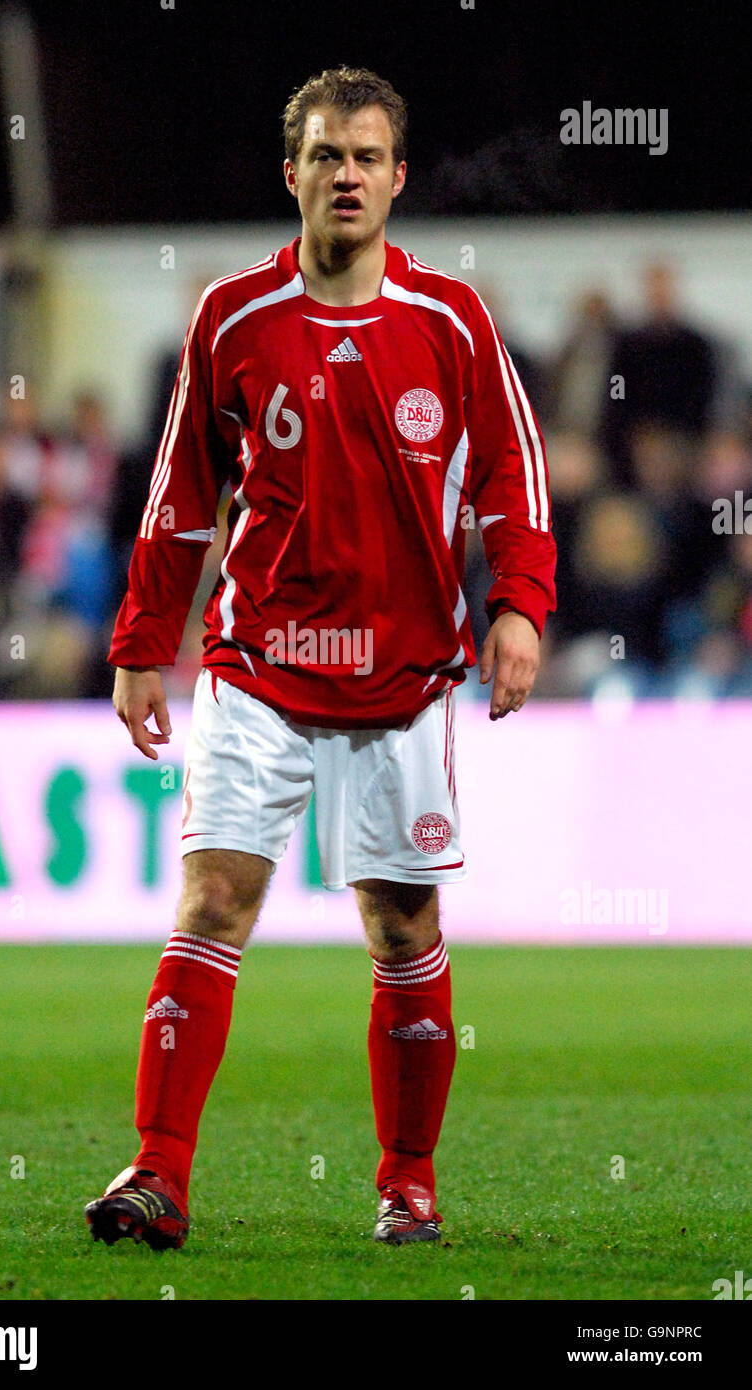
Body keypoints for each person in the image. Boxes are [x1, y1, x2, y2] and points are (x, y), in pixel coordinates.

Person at [84, 66, 556, 1251]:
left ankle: (406, 1182)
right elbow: (182, 492)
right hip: (258, 662)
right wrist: (145, 640)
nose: (343, 175)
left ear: (396, 179)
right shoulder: (232, 318)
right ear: (288, 173)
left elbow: (511, 475)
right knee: (211, 899)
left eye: (365, 157)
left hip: (400, 677)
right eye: (322, 155)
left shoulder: (449, 321)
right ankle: (157, 1174)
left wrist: (521, 607)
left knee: (400, 930)